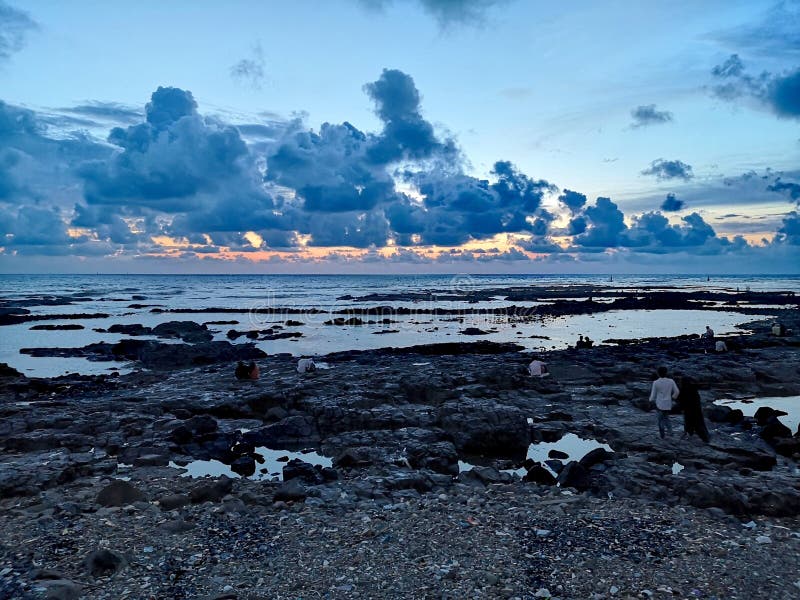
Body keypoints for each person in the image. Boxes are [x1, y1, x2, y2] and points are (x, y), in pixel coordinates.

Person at [649, 366, 679, 439]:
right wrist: (672, 398)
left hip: (659, 404)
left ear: (658, 373)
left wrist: (650, 400)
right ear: (666, 373)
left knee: (660, 420)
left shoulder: (656, 382)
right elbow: (677, 392)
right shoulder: (671, 381)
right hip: (668, 403)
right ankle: (671, 432)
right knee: (666, 417)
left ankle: (662, 436)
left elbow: (653, 395)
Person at [678, 376, 710, 442]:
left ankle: (689, 435)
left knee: (688, 423)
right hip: (696, 409)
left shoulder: (682, 389)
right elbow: (698, 398)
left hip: (688, 410)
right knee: (699, 423)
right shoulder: (693, 388)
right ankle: (705, 438)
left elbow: (681, 400)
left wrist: (681, 408)